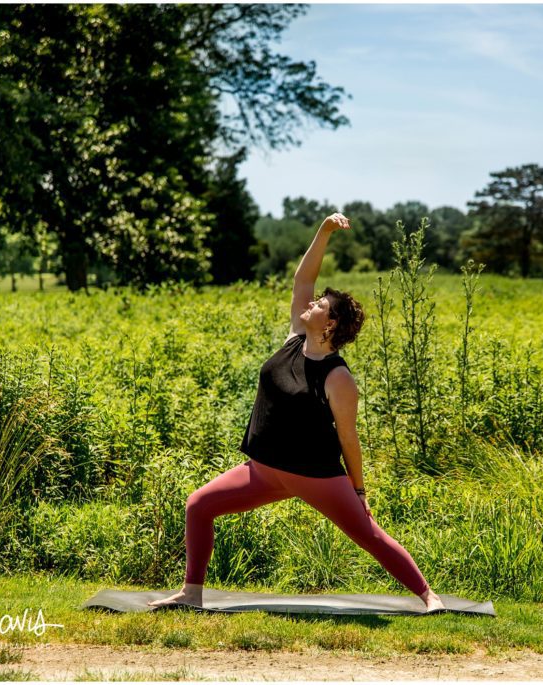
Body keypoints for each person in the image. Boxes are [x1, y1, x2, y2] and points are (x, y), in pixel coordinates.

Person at [149, 212, 445, 613]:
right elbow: (301, 280)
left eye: (321, 304)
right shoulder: (295, 338)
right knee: (198, 505)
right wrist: (323, 232)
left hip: (316, 476)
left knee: (368, 534)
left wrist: (358, 491)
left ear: (332, 322)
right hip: (264, 469)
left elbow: (348, 438)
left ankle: (429, 597)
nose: (310, 302)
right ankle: (191, 593)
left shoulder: (338, 377)